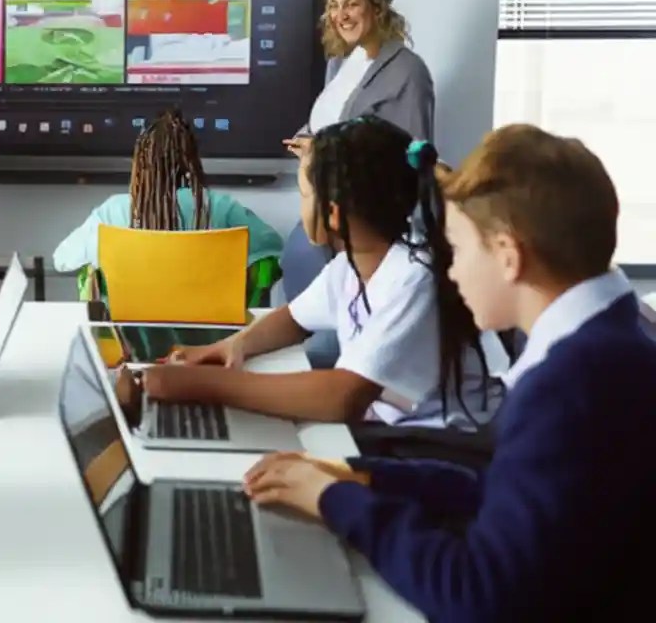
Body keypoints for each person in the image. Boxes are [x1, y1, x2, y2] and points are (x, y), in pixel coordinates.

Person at [243, 125, 656, 622]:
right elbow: (501, 495)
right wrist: (367, 477)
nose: (451, 273)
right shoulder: (610, 343)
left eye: (457, 250)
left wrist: (338, 502)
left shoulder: (571, 387)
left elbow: (477, 596)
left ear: (508, 256)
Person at [139, 116, 506, 447]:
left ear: (332, 212)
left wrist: (196, 385)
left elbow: (343, 397)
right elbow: (295, 319)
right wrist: (236, 345)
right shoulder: (352, 263)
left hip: (445, 444)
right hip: (396, 425)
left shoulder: (412, 275)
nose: (302, 206)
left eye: (304, 194)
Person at [282, 0, 436, 369]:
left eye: (351, 4)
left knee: (328, 302)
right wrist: (306, 141)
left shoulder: (408, 72)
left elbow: (412, 152)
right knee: (300, 270)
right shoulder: (341, 64)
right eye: (333, 6)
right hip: (324, 198)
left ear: (378, 6)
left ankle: (337, 377)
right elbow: (329, 121)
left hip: (361, 215)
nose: (340, 15)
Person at [52, 109, 284, 307]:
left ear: (140, 162)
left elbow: (62, 260)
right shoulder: (222, 207)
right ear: (192, 160)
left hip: (130, 338)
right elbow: (276, 250)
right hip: (214, 339)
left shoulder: (112, 211)